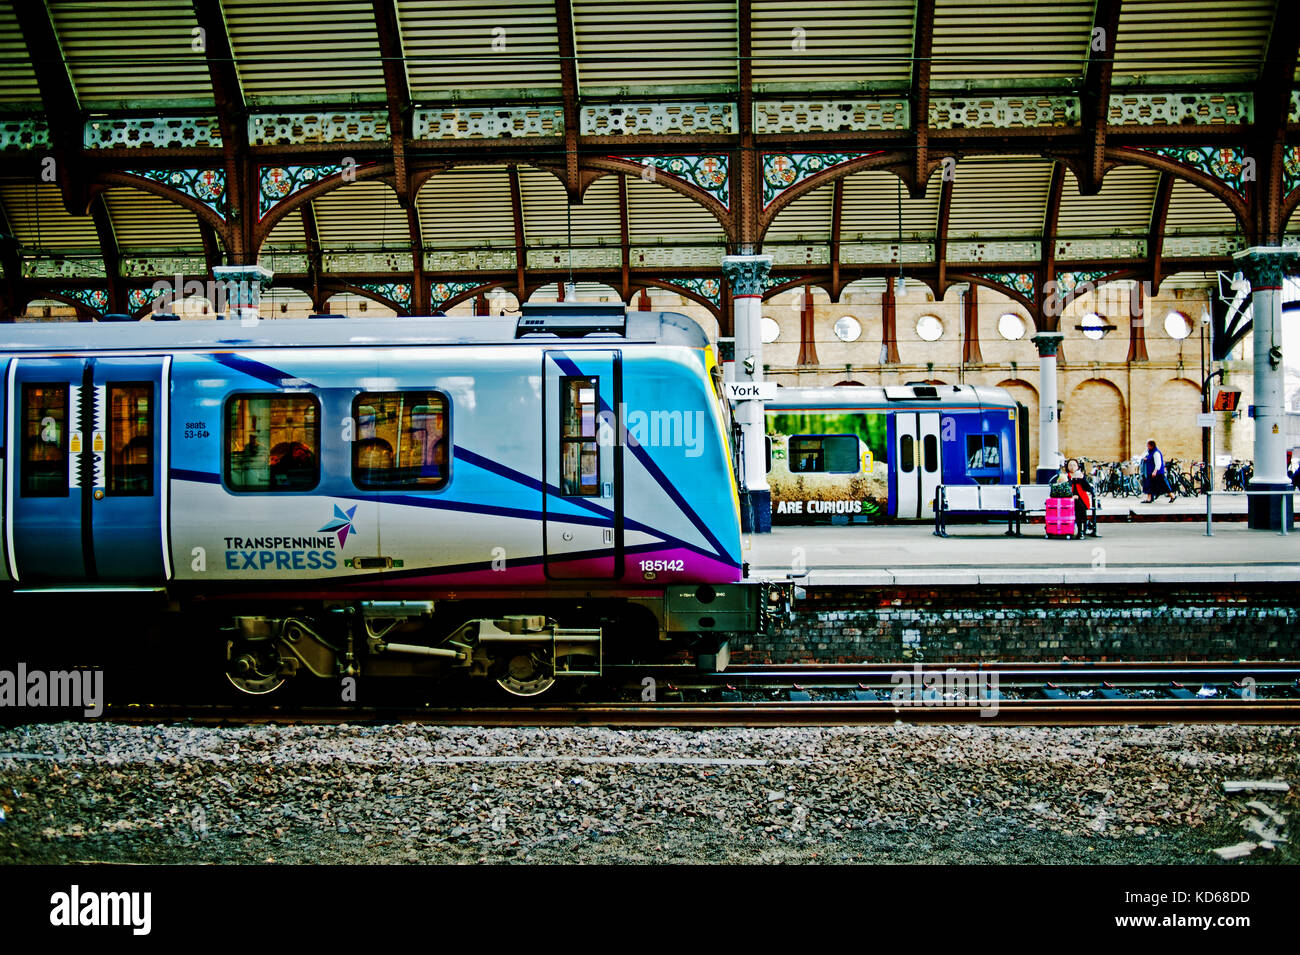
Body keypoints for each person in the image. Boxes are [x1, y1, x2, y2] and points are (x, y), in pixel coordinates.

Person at [1066, 458, 1094, 539]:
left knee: (1080, 506)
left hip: (1081, 499)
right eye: (1070, 465)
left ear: (1078, 467)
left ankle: (1082, 530)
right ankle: (1081, 530)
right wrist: (1072, 496)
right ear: (1067, 467)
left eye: (1074, 465)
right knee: (1079, 506)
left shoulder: (1081, 476)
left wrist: (1082, 479)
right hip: (1069, 499)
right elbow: (1065, 488)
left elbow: (1088, 488)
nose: (1072, 467)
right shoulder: (1065, 476)